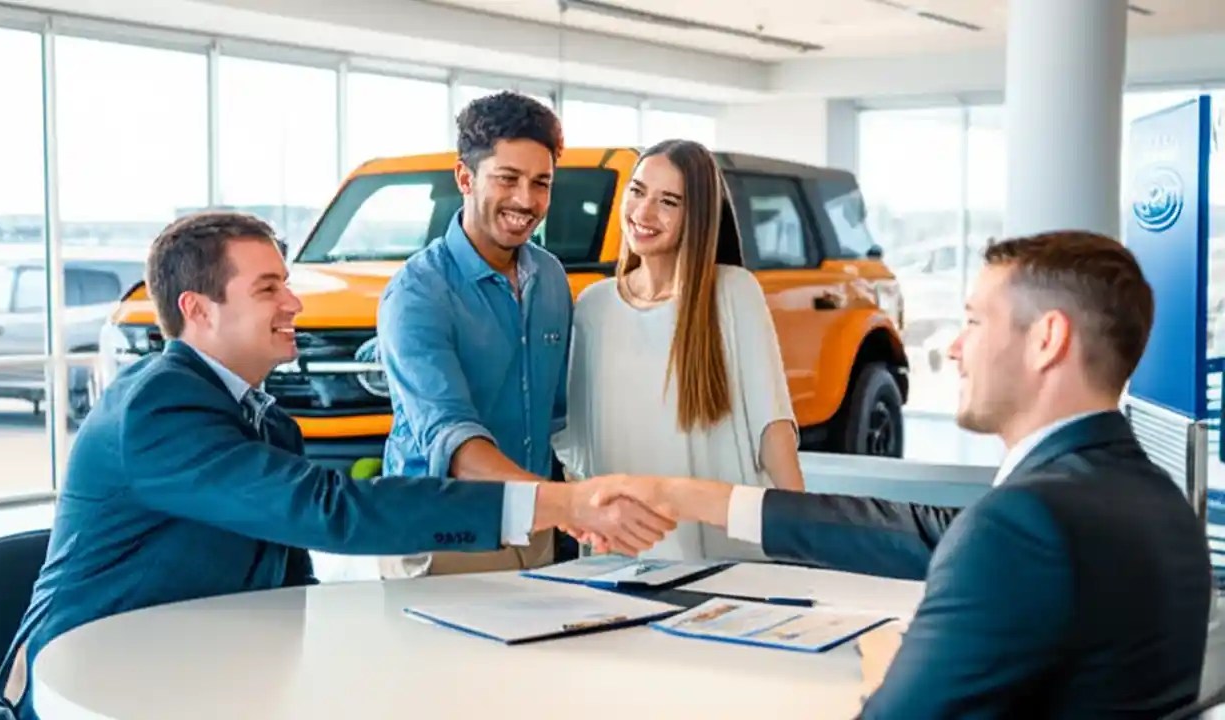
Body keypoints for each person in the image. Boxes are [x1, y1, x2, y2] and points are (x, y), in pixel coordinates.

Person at [0, 211, 674, 720]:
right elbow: (331, 510)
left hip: (204, 674)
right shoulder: (155, 408)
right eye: (268, 289)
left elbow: (293, 584)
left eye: (287, 284)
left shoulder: (270, 422)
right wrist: (559, 503)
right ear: (197, 310)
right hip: (88, 689)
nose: (293, 303)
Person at [589, 230, 1213, 717]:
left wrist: (900, 668)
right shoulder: (1158, 505)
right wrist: (680, 495)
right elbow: (920, 533)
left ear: (1047, 339)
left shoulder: (1024, 524)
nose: (954, 348)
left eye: (975, 321)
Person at [551, 139, 803, 561]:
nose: (644, 212)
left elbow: (772, 427)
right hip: (623, 558)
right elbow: (576, 449)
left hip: (728, 554)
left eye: (668, 201)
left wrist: (805, 533)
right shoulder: (593, 307)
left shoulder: (733, 292)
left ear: (696, 216)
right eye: (637, 191)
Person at [374, 91, 575, 576]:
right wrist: (568, 504)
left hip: (533, 526)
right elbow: (453, 442)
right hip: (444, 531)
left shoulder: (550, 278)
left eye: (541, 183)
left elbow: (559, 416)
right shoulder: (417, 293)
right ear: (465, 178)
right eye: (507, 178)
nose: (526, 200)